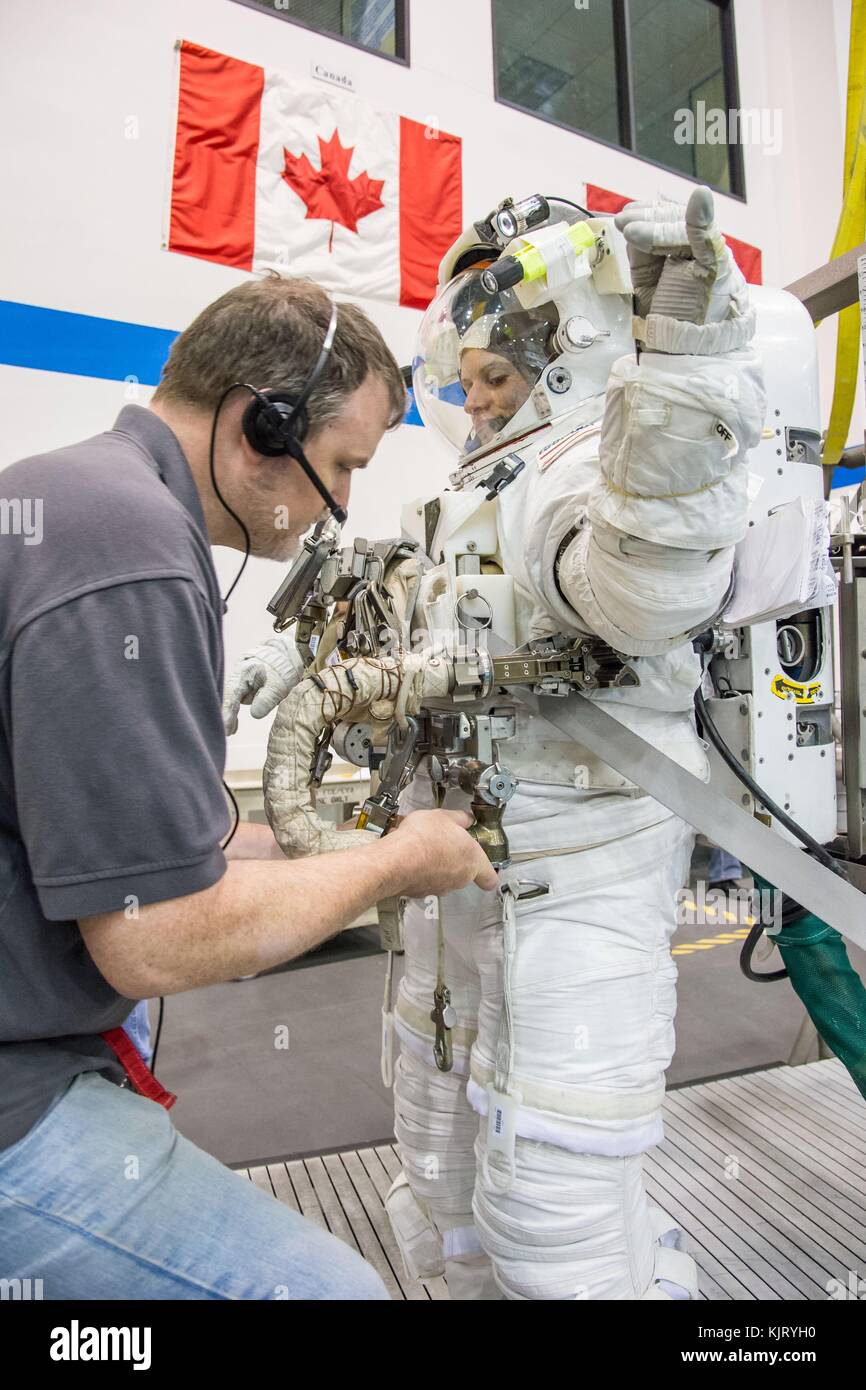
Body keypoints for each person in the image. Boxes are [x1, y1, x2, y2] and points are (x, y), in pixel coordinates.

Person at [234, 190, 766, 1299]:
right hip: (449, 866)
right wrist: (292, 662)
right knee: (435, 1173)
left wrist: (678, 379)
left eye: (497, 375)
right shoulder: (476, 489)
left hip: (575, 871)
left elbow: (637, 589)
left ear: (570, 349)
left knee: (550, 1208)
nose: (475, 400)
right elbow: (394, 613)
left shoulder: (595, 478)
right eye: (467, 377)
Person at [0, 274, 496, 1300]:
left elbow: (127, 852)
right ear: (258, 427)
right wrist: (399, 860)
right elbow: (152, 933)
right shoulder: (128, 547)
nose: (344, 504)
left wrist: (316, 847)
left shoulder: (80, 493)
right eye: (341, 465)